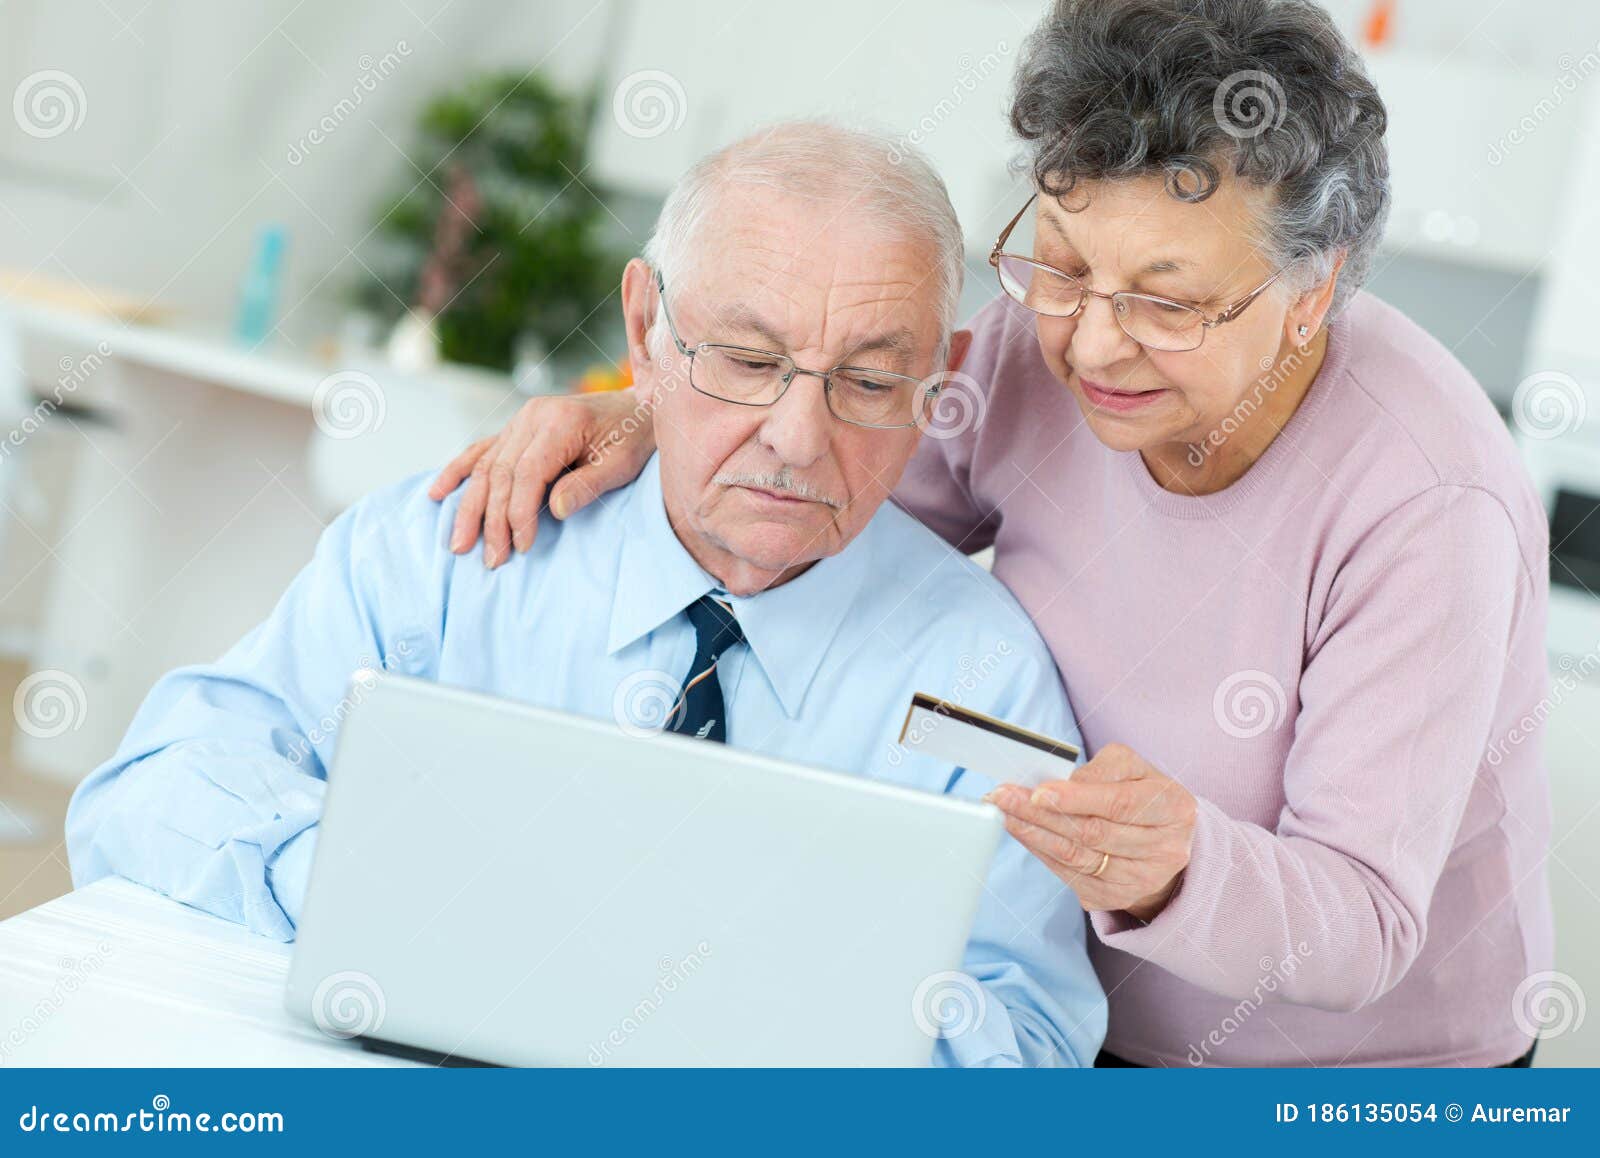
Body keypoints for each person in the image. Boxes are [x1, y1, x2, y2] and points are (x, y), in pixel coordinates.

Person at [431, 0, 1552, 1067]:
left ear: (1313, 292)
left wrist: (1175, 866)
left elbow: (1361, 921)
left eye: (1164, 303)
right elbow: (815, 497)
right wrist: (646, 410)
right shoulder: (1031, 351)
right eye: (1062, 264)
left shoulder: (1426, 501)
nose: (1093, 347)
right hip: (1038, 1021)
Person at [65, 122, 1107, 1068]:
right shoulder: (451, 551)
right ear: (645, 329)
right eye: (746, 361)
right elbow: (147, 797)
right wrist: (383, 892)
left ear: (945, 378)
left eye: (872, 383)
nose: (798, 440)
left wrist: (780, 997)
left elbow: (1033, 1037)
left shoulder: (985, 684)